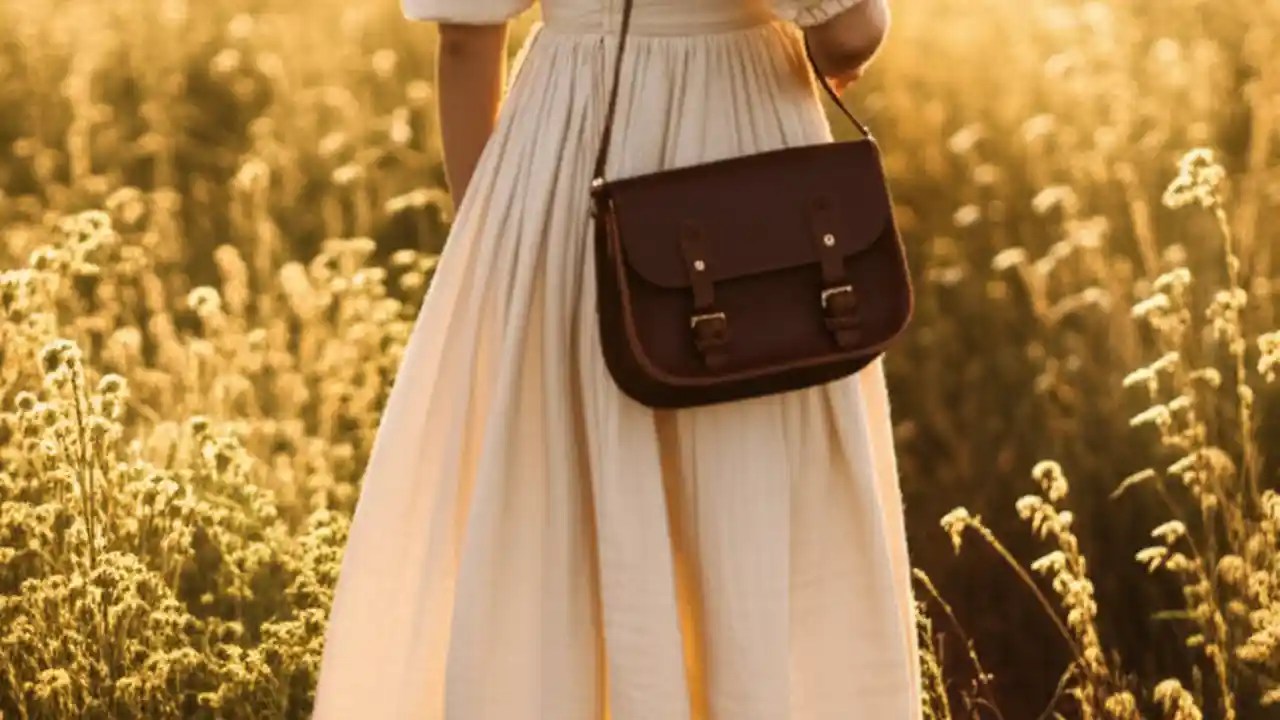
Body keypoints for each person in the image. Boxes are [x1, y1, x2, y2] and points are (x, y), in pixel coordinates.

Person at [312, 1, 920, 718]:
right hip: (747, 169)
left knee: (559, 493)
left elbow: (465, 41)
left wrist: (502, 242)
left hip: (563, 161)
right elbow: (846, 33)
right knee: (748, 495)